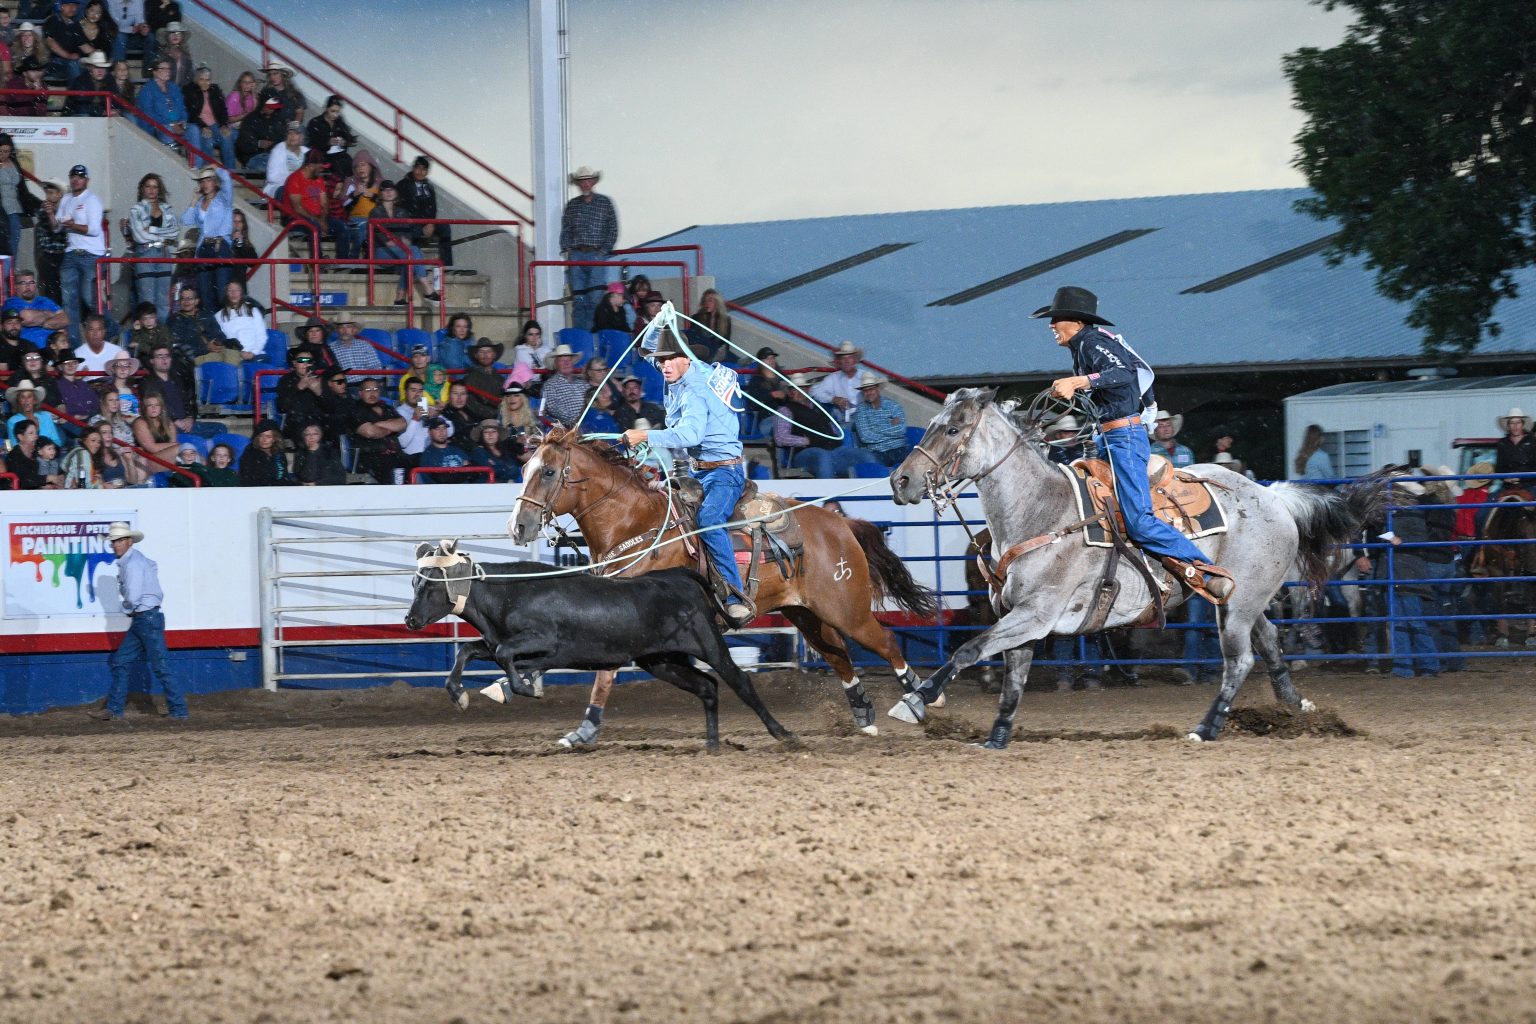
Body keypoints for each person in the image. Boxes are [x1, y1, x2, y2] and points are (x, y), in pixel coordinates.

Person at [1040, 284, 1234, 601]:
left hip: (1123, 437)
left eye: (1056, 318)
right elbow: (1129, 375)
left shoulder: (1091, 342)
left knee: (1139, 521)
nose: (1051, 325)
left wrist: (1079, 381)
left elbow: (1124, 372)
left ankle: (1206, 570)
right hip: (1112, 435)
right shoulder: (1086, 346)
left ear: (1075, 321)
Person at [618, 334, 752, 625]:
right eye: (661, 360)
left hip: (724, 473)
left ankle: (734, 594)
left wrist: (643, 435)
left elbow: (691, 436)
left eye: (668, 360)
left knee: (709, 520)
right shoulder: (681, 371)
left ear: (685, 359)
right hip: (698, 470)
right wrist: (656, 327)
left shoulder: (695, 391)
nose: (662, 365)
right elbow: (649, 354)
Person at [91, 521, 187, 721]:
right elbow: (151, 570)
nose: (115, 545)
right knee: (130, 662)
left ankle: (178, 711)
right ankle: (116, 709)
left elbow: (133, 598)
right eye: (113, 541)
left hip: (145, 618)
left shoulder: (132, 564)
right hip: (146, 619)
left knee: (149, 664)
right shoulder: (136, 560)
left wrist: (125, 608)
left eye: (118, 541)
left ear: (128, 541)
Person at [774, 374, 877, 478]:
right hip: (806, 452)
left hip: (834, 450)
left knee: (865, 456)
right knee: (823, 456)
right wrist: (805, 441)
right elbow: (780, 437)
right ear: (790, 393)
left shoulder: (820, 408)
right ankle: (828, 491)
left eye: (802, 389)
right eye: (794, 390)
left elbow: (835, 429)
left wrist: (832, 435)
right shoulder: (785, 410)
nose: (799, 392)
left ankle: (871, 491)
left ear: (808, 390)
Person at [53, 163, 107, 347]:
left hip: (91, 254)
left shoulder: (93, 200)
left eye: (80, 177)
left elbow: (93, 230)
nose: (76, 180)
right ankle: (74, 346)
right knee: (69, 302)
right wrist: (49, 214)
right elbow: (57, 227)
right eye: (73, 176)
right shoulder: (66, 199)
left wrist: (72, 225)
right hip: (70, 254)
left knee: (89, 298)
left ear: (87, 180)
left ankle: (111, 329)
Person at [558, 165, 617, 332]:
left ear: (593, 182)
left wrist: (603, 251)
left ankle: (591, 337)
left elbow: (613, 229)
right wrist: (568, 250)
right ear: (578, 184)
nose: (585, 184)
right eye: (582, 181)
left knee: (594, 299)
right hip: (577, 255)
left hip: (596, 254)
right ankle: (582, 337)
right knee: (579, 300)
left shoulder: (605, 203)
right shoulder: (572, 205)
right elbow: (567, 229)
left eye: (588, 181)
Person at [369, 179, 437, 306]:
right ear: (381, 194)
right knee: (412, 252)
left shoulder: (402, 212)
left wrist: (399, 241)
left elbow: (407, 236)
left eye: (391, 189)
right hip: (382, 252)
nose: (388, 192)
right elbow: (382, 238)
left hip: (400, 251)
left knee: (410, 258)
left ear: (395, 192)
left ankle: (400, 298)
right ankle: (427, 288)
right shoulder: (375, 212)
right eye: (385, 190)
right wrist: (399, 241)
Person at [125, 171, 179, 321]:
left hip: (164, 252)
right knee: (146, 299)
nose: (151, 190)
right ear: (142, 188)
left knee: (163, 300)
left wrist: (153, 229)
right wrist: (163, 233)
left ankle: (161, 335)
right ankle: (147, 337)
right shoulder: (136, 209)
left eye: (155, 187)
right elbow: (139, 236)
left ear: (159, 189)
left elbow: (174, 232)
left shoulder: (167, 208)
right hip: (145, 252)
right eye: (148, 186)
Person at [180, 165, 234, 311]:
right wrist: (193, 200)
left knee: (222, 292)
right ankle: (210, 327)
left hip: (220, 245)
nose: (205, 184)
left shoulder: (223, 198)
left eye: (208, 180)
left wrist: (215, 167)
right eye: (202, 181)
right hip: (204, 247)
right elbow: (186, 220)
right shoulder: (199, 203)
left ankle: (223, 326)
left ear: (215, 182)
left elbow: (227, 180)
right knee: (204, 292)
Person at [349, 377, 409, 484]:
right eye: (368, 390)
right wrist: (391, 427)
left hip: (396, 455)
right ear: (360, 393)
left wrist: (378, 425)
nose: (373, 393)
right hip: (371, 456)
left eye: (376, 389)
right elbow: (370, 432)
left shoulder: (387, 408)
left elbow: (402, 424)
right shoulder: (355, 409)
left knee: (417, 463)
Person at [397, 155, 452, 268]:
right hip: (410, 221)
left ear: (427, 172)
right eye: (418, 168)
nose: (420, 172)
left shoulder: (429, 188)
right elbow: (401, 207)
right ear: (413, 168)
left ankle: (446, 264)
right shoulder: (402, 185)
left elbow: (433, 208)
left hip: (426, 222)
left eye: (423, 169)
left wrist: (430, 223)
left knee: (445, 227)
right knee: (414, 231)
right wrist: (417, 222)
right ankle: (414, 265)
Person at [850, 373, 911, 467]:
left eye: (871, 389)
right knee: (874, 465)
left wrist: (875, 428)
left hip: (899, 449)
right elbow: (866, 437)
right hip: (877, 452)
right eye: (865, 391)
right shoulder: (860, 411)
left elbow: (901, 430)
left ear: (877, 389)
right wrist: (889, 425)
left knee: (915, 464)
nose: (868, 393)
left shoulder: (893, 406)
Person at [181, 63, 234, 168]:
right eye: (202, 79)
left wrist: (224, 124)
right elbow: (191, 113)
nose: (205, 82)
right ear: (196, 79)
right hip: (198, 124)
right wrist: (203, 126)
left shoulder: (215, 90)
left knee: (227, 136)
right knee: (207, 139)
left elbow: (223, 110)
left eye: (208, 80)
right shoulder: (189, 90)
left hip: (215, 124)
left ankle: (231, 171)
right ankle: (208, 170)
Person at [0, 133, 41, 261]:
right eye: (0, 151)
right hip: (1, 211)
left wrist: (38, 204)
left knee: (13, 245)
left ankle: (9, 275)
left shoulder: (14, 163)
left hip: (14, 210)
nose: (3, 154)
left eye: (6, 151)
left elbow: (23, 190)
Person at [137, 342, 195, 430]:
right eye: (160, 356)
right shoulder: (146, 382)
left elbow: (189, 401)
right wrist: (174, 421)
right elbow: (152, 407)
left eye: (167, 356)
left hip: (187, 424)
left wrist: (190, 417)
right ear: (152, 361)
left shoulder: (178, 378)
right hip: (165, 427)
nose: (164, 359)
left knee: (218, 428)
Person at [133, 56, 186, 145]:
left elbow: (182, 108)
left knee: (193, 130)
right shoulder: (147, 90)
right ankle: (169, 155)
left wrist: (182, 121)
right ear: (155, 72)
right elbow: (148, 114)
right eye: (163, 68)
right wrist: (171, 124)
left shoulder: (174, 88)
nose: (168, 71)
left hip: (177, 124)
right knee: (168, 130)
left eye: (169, 69)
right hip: (157, 126)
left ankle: (198, 159)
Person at [31, 185, 69, 303]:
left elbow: (61, 232)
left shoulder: (67, 211)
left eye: (51, 193)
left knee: (65, 292)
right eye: (47, 193)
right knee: (51, 292)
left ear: (59, 194)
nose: (48, 196)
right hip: (48, 258)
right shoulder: (43, 215)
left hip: (64, 257)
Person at [304, 93, 355, 179]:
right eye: (332, 111)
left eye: (337, 112)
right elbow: (311, 142)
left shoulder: (340, 124)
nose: (335, 115)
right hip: (321, 157)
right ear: (326, 108)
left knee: (348, 162)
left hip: (338, 157)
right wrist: (327, 142)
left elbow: (350, 139)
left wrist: (344, 142)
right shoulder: (316, 122)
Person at [211, 279, 265, 359]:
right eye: (230, 290)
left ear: (242, 293)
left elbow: (261, 336)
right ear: (226, 293)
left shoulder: (253, 311)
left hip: (256, 355)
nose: (233, 293)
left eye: (237, 290)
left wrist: (253, 353)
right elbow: (218, 339)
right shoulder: (219, 316)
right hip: (232, 357)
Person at [811, 341, 863, 421]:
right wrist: (833, 399)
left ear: (855, 360)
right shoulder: (833, 378)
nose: (846, 361)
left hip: (864, 418)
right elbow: (815, 392)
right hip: (843, 420)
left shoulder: (864, 376)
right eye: (843, 358)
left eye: (850, 357)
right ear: (840, 361)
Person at [538, 344, 587, 427]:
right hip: (568, 427)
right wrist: (577, 420)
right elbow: (553, 408)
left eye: (569, 360)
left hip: (589, 422)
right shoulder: (550, 385)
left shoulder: (583, 383)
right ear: (556, 364)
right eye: (562, 361)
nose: (566, 363)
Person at [5, 378, 61, 445]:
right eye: (22, 397)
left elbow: (57, 442)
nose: (26, 400)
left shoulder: (46, 416)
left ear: (35, 400)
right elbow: (15, 446)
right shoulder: (13, 421)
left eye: (29, 397)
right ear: (18, 401)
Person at [42, 0, 86, 83]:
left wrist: (96, 54)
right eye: (68, 5)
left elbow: (83, 44)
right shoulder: (53, 20)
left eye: (74, 6)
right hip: (53, 62)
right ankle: (77, 94)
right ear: (61, 6)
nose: (72, 8)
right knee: (73, 64)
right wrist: (68, 55)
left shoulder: (75, 24)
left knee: (92, 66)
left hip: (71, 62)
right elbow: (50, 42)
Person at [462, 338, 505, 421]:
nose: (485, 355)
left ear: (494, 354)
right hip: (479, 420)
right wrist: (492, 414)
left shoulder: (500, 378)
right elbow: (470, 402)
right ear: (476, 355)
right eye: (481, 352)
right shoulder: (470, 377)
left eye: (489, 351)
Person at [131, 391, 179, 464]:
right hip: (147, 459)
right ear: (144, 408)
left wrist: (175, 446)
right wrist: (175, 445)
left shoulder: (168, 423)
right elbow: (152, 448)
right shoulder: (140, 423)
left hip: (166, 457)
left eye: (157, 405)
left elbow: (173, 444)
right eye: (150, 405)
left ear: (161, 407)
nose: (154, 408)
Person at [254, 57, 304, 128]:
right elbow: (260, 111)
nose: (272, 77)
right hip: (267, 129)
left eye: (275, 73)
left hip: (287, 132)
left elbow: (299, 113)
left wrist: (294, 125)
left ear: (283, 74)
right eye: (270, 74)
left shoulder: (295, 94)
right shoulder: (265, 92)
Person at [417, 415, 472, 480]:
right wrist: (464, 470)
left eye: (444, 428)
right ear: (429, 432)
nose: (442, 432)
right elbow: (442, 479)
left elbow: (473, 471)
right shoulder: (427, 455)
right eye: (437, 429)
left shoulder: (457, 449)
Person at [238, 418, 290, 485]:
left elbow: (284, 476)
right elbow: (247, 479)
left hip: (278, 490)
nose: (264, 440)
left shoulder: (279, 453)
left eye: (268, 437)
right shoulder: (250, 453)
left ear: (274, 439)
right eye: (261, 436)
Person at [394, 376, 436, 457]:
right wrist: (415, 419)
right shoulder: (398, 413)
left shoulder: (428, 409)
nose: (417, 394)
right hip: (411, 459)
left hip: (431, 458)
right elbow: (402, 443)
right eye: (413, 390)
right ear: (405, 392)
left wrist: (435, 417)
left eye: (420, 391)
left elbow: (450, 431)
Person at [4, 417, 51, 488]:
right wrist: (46, 480)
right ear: (20, 437)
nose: (36, 436)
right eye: (31, 433)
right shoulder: (13, 456)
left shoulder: (39, 447)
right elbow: (23, 481)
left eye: (36, 433)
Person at [67, 48, 113, 116]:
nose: (100, 71)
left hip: (101, 116)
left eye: (102, 67)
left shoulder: (109, 79)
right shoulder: (81, 81)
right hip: (78, 116)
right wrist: (102, 112)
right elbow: (82, 108)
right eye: (96, 67)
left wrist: (115, 110)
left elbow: (116, 100)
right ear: (90, 68)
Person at [1494, 407, 1536, 480]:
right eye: (1512, 423)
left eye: (1518, 422)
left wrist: (1520, 478)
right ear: (1508, 425)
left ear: (1523, 424)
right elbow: (1499, 468)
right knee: (1494, 492)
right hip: (1507, 485)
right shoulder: (1502, 443)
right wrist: (1506, 478)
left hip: (1529, 484)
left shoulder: (1533, 442)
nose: (1515, 426)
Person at [688, 288, 731, 359]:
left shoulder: (725, 320)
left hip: (718, 351)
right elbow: (693, 339)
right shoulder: (696, 318)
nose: (707, 303)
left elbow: (726, 343)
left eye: (710, 301)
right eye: (705, 301)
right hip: (703, 350)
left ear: (717, 302)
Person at [495, 383, 538, 453]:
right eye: (508, 396)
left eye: (516, 395)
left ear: (522, 399)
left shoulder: (530, 417)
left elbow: (540, 438)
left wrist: (531, 440)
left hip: (530, 453)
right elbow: (497, 440)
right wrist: (516, 440)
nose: (512, 399)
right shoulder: (500, 417)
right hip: (509, 454)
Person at [100, 350, 142, 419]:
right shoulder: (107, 389)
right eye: (119, 365)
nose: (123, 369)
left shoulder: (134, 390)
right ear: (113, 369)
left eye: (126, 365)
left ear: (130, 369)